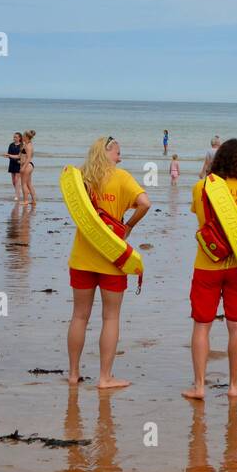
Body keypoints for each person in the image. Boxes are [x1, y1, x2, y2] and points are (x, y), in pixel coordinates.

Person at [67, 136, 151, 388]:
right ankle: (104, 377)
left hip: (82, 257)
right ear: (107, 153)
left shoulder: (81, 177)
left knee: (79, 316)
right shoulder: (122, 177)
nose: (120, 158)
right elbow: (145, 203)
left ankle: (73, 374)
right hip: (112, 259)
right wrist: (128, 226)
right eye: (117, 153)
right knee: (110, 318)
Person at [183, 138, 237, 401]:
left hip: (207, 264)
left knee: (201, 326)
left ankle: (198, 387)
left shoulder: (201, 188)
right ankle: (234, 386)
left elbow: (200, 217)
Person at [1, 132, 24, 202]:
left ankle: (17, 195)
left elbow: (21, 156)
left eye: (16, 137)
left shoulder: (22, 145)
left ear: (20, 138)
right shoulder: (11, 145)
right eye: (14, 137)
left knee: (17, 180)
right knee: (13, 181)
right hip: (12, 163)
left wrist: (11, 156)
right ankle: (18, 192)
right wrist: (10, 157)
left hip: (19, 164)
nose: (15, 138)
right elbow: (9, 154)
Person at [19, 129, 37, 205]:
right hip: (28, 165)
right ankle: (33, 200)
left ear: (26, 136)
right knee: (29, 184)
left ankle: (26, 200)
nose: (22, 137)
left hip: (27, 166)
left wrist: (23, 167)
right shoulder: (26, 144)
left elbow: (29, 157)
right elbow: (22, 156)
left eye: (23, 135)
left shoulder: (28, 146)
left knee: (23, 184)